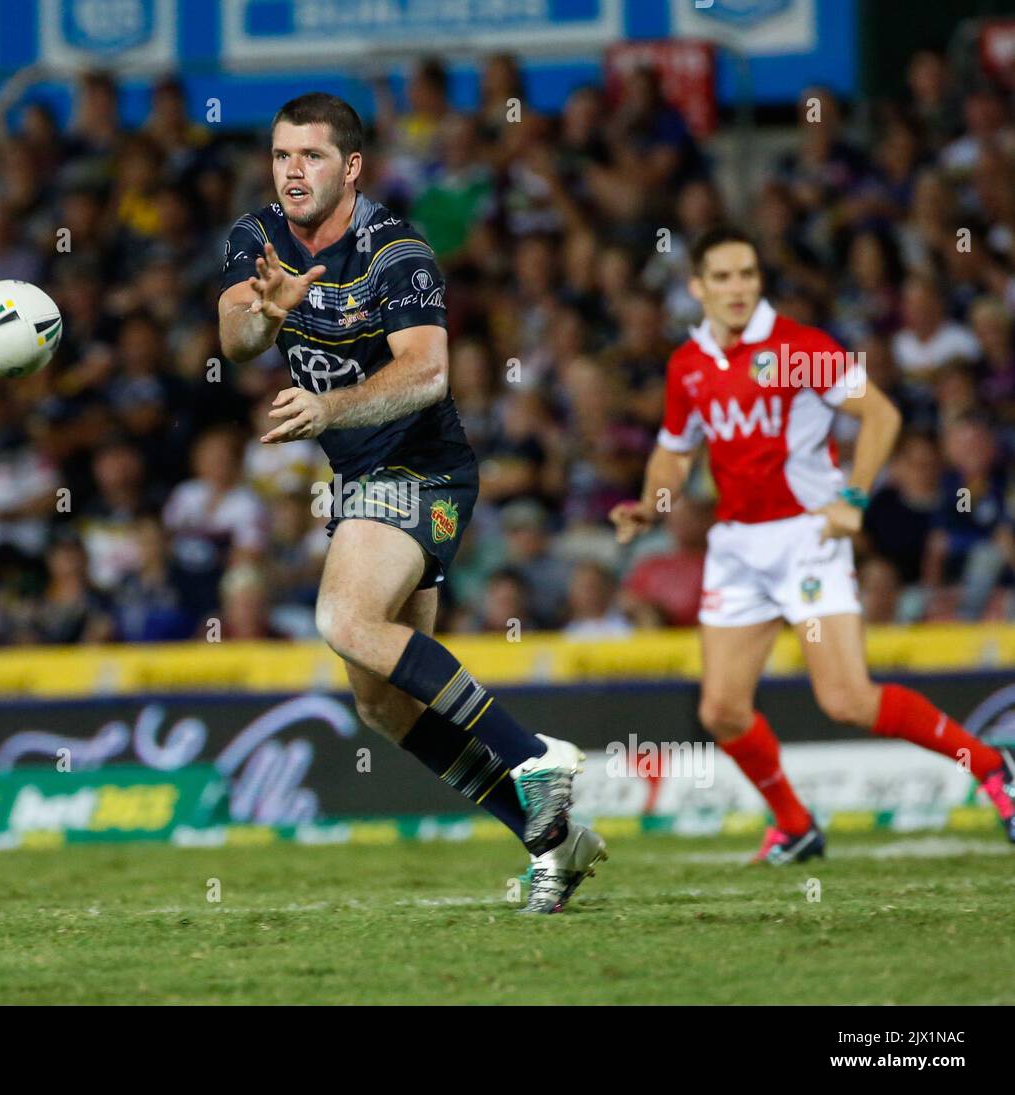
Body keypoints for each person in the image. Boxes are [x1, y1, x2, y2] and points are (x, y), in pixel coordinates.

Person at [218, 93, 604, 913]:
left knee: (343, 620)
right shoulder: (256, 239)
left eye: (312, 157)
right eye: (283, 155)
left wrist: (328, 407)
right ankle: (552, 840)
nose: (293, 171)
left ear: (350, 167)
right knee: (383, 703)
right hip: (359, 481)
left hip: (422, 470)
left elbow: (428, 373)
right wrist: (266, 315)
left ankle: (536, 756)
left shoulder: (398, 252)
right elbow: (234, 339)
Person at [610, 226, 1015, 862]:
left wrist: (853, 498)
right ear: (697, 287)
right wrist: (651, 503)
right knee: (721, 710)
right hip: (738, 547)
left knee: (847, 701)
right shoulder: (687, 366)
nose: (737, 287)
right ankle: (796, 826)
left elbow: (881, 416)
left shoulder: (801, 349)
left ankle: (992, 765)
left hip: (808, 537)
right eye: (722, 276)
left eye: (747, 274)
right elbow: (674, 448)